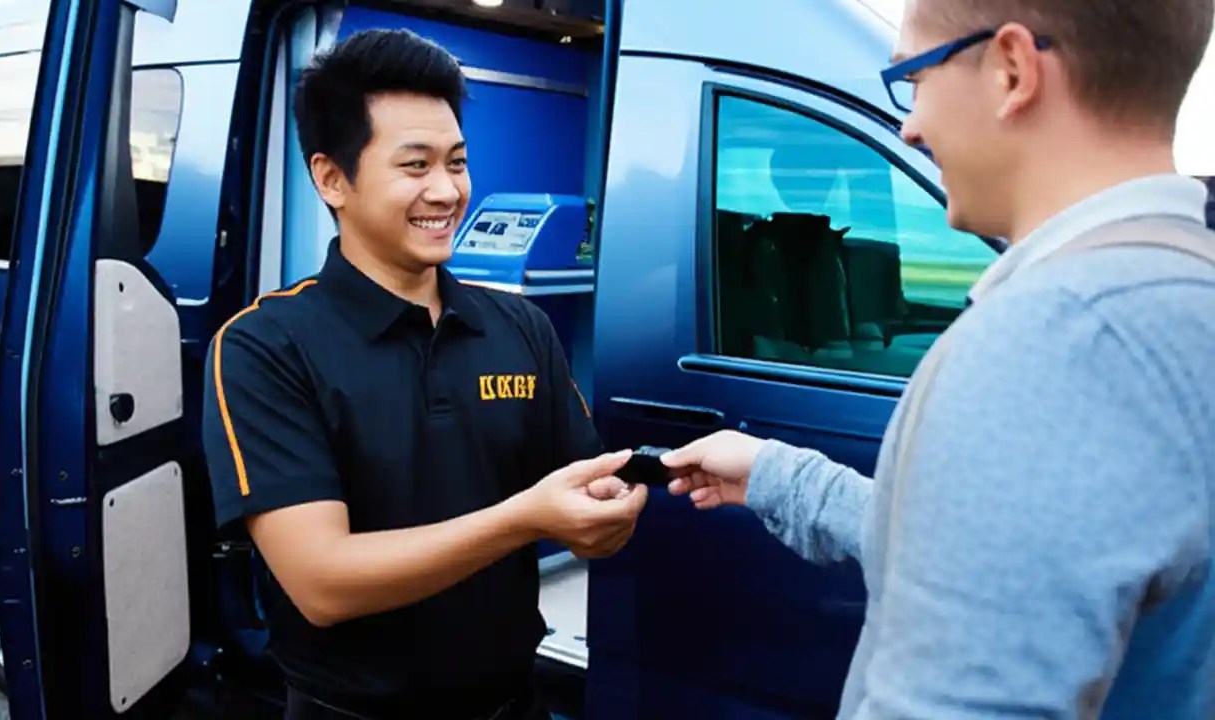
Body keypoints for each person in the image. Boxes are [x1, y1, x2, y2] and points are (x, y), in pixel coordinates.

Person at [662, 1, 1215, 718]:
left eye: (913, 78)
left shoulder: (1051, 343)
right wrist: (781, 477)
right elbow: (1021, 563)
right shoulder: (1180, 292)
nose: (910, 125)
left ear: (1011, 70)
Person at [200, 28, 646, 720]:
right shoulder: (265, 347)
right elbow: (322, 581)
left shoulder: (519, 327)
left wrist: (618, 503)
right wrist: (523, 518)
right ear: (331, 178)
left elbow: (583, 484)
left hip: (512, 704)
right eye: (415, 166)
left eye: (458, 162)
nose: (446, 191)